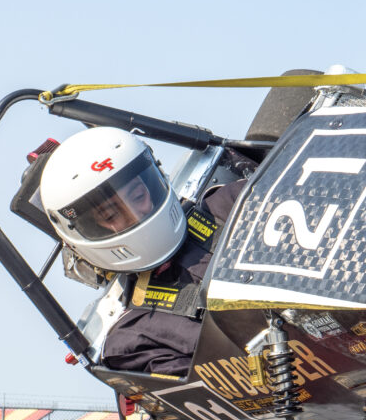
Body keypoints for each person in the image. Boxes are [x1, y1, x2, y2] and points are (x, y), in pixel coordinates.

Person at [39, 126, 246, 377]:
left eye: (137, 195)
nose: (139, 213)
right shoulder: (130, 340)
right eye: (112, 214)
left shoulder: (230, 204)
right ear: (86, 232)